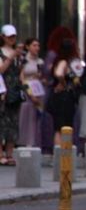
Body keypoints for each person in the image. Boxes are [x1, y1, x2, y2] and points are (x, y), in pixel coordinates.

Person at [0, 25, 24, 164]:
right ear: (3, 37)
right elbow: (1, 70)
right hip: (3, 89)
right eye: (9, 37)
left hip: (14, 91)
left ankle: (9, 153)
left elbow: (21, 72)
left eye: (14, 37)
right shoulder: (2, 53)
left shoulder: (17, 54)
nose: (12, 39)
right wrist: (11, 57)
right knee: (2, 121)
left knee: (13, 122)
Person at [18, 39, 45, 149]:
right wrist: (29, 92)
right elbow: (21, 77)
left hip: (38, 88)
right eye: (34, 45)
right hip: (27, 89)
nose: (37, 48)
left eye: (38, 45)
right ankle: (24, 141)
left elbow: (42, 76)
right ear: (28, 47)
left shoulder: (40, 61)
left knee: (37, 116)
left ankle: (35, 142)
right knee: (26, 115)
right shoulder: (24, 60)